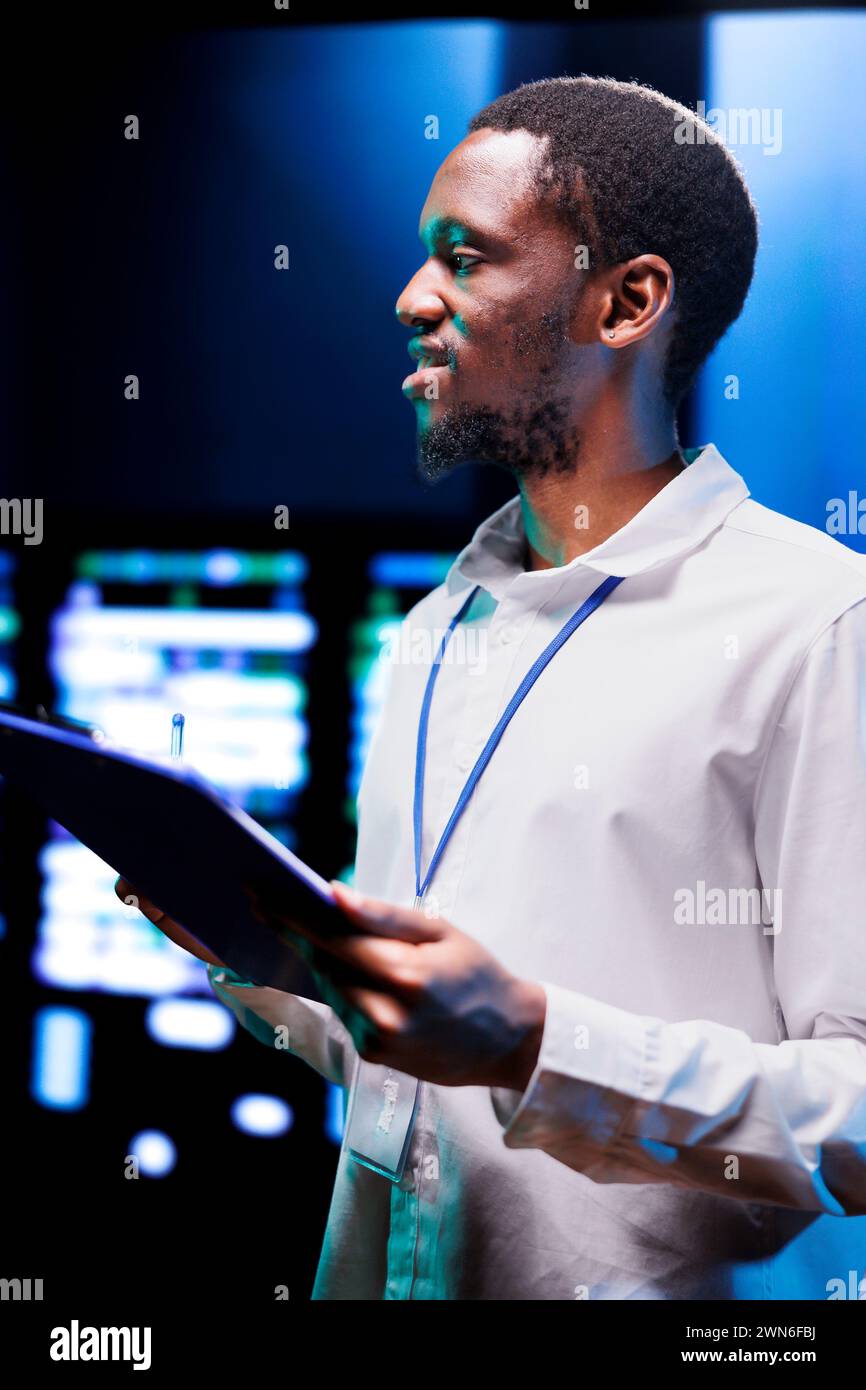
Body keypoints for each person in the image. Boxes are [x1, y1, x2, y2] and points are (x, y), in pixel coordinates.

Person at [118, 76, 866, 1300]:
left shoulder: (813, 624)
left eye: (465, 259)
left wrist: (534, 1045)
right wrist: (270, 966)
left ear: (625, 302)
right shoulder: (430, 630)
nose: (412, 299)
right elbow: (419, 1072)